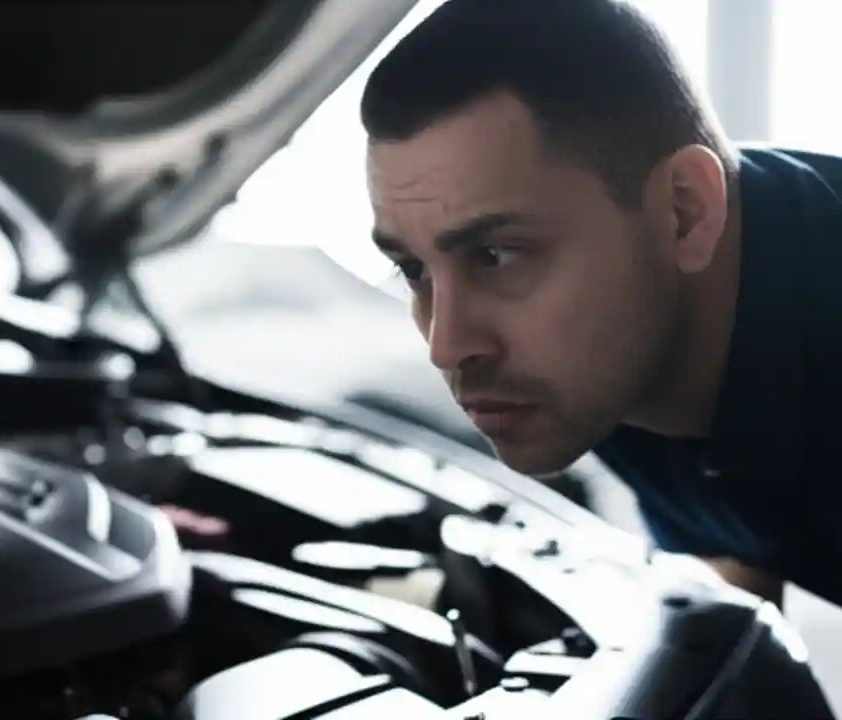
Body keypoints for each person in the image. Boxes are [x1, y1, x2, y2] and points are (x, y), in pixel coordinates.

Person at [361, 0, 842, 609]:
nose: (447, 345)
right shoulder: (614, 346)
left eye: (499, 255)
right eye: (413, 269)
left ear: (685, 212)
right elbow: (731, 567)